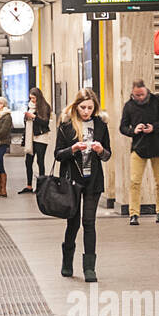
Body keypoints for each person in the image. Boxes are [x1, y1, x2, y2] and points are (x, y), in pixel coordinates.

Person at [54, 88, 112, 282]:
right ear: (76, 106)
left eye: (89, 107)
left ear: (95, 107)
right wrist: (72, 149)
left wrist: (100, 149)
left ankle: (90, 268)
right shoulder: (66, 125)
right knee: (73, 223)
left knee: (89, 222)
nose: (86, 111)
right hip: (72, 180)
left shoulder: (101, 125)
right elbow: (57, 154)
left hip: (93, 181)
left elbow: (107, 155)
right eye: (82, 107)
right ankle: (67, 261)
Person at [119, 79, 159, 225]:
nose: (140, 98)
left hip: (157, 146)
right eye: (137, 95)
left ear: (146, 90)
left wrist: (154, 127)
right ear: (133, 93)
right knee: (134, 181)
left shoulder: (157, 100)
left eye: (142, 94)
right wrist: (133, 130)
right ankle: (134, 214)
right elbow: (122, 127)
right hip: (138, 147)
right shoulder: (129, 106)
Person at [19, 86, 51, 193]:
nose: (32, 100)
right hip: (30, 138)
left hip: (41, 137)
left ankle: (41, 186)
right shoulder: (29, 106)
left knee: (40, 161)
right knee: (28, 161)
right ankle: (29, 186)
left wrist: (33, 117)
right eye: (31, 98)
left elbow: (45, 123)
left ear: (38, 97)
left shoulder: (45, 107)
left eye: (34, 98)